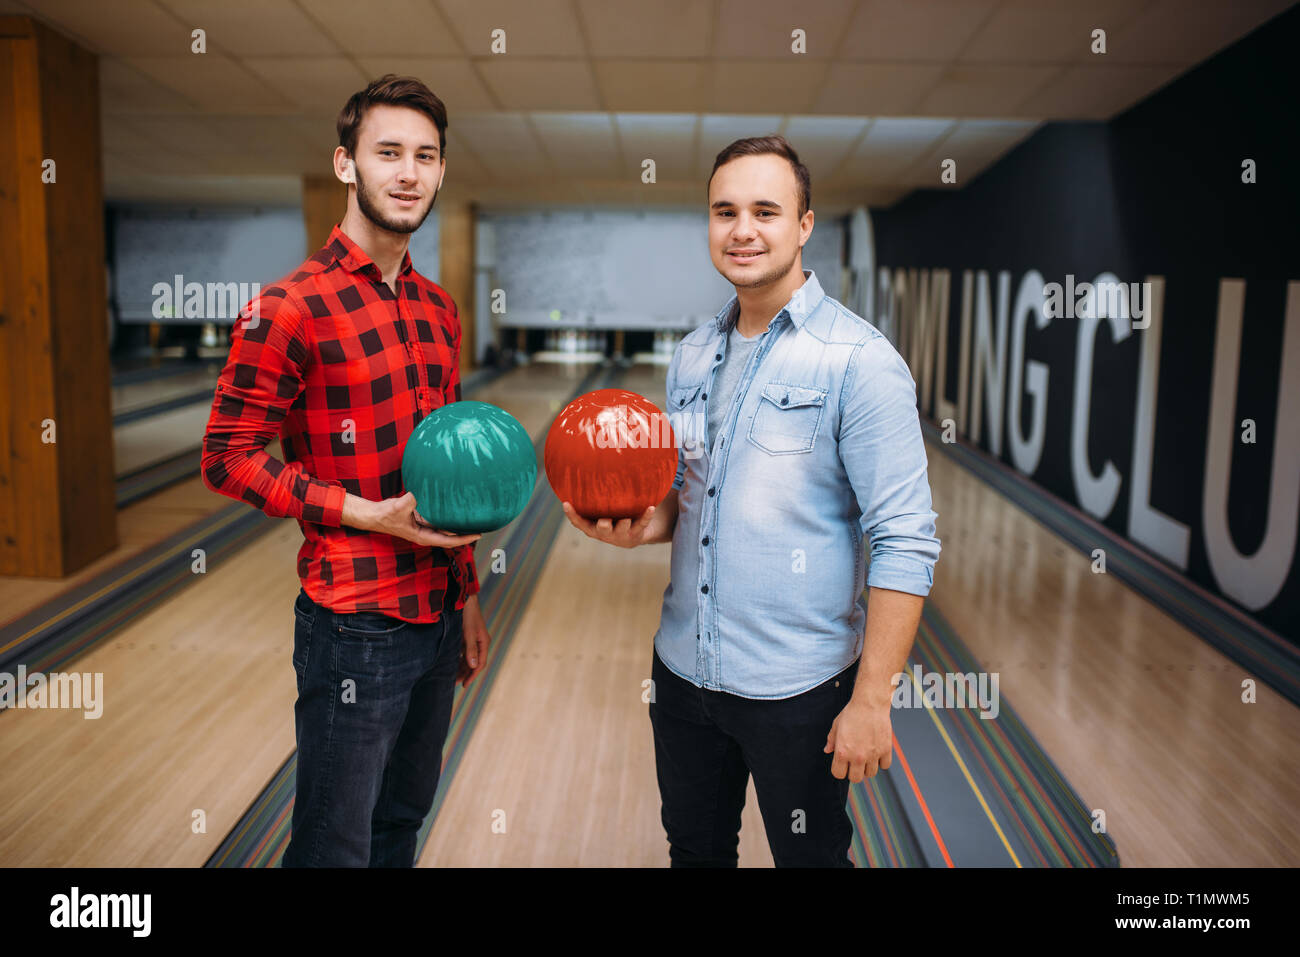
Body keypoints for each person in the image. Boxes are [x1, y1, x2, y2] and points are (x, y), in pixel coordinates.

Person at [562, 135, 941, 867]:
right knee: (694, 851)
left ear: (803, 225)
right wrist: (639, 528)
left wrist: (871, 699)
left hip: (797, 689)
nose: (742, 229)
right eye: (724, 210)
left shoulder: (859, 362)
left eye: (766, 210)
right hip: (683, 673)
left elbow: (906, 539)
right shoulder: (692, 354)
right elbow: (688, 498)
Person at [200, 75, 490, 867]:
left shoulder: (439, 308)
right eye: (387, 152)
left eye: (425, 156)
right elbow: (226, 456)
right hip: (355, 624)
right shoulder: (288, 307)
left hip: (434, 617)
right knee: (335, 847)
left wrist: (465, 594)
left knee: (399, 827)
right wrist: (364, 514)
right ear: (345, 164)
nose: (408, 173)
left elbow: (448, 470)